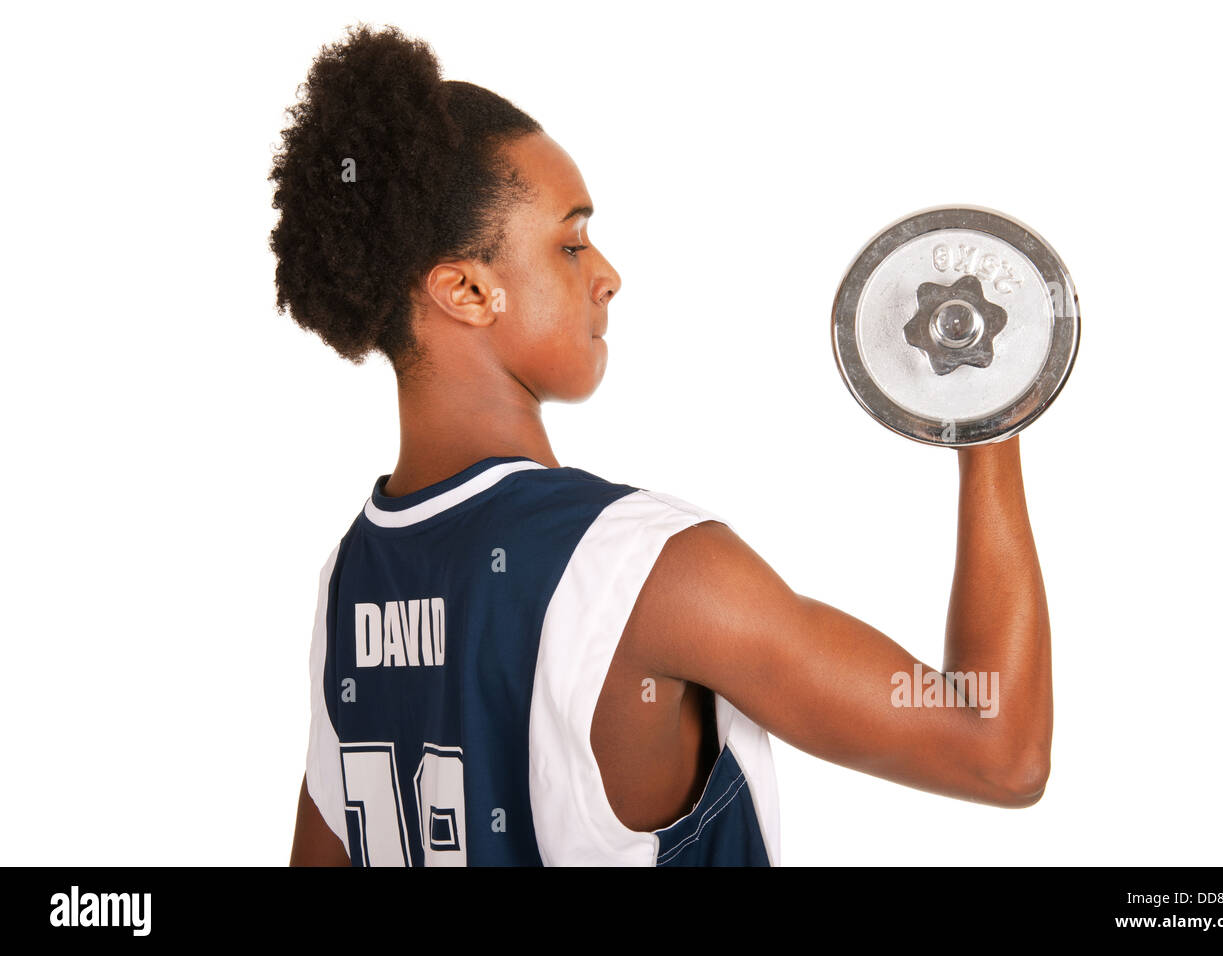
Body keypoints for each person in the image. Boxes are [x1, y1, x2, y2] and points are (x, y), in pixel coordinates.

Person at [274, 23, 1052, 867]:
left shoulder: (355, 577)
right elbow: (996, 749)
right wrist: (989, 417)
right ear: (466, 289)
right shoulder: (645, 568)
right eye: (569, 243)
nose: (606, 273)